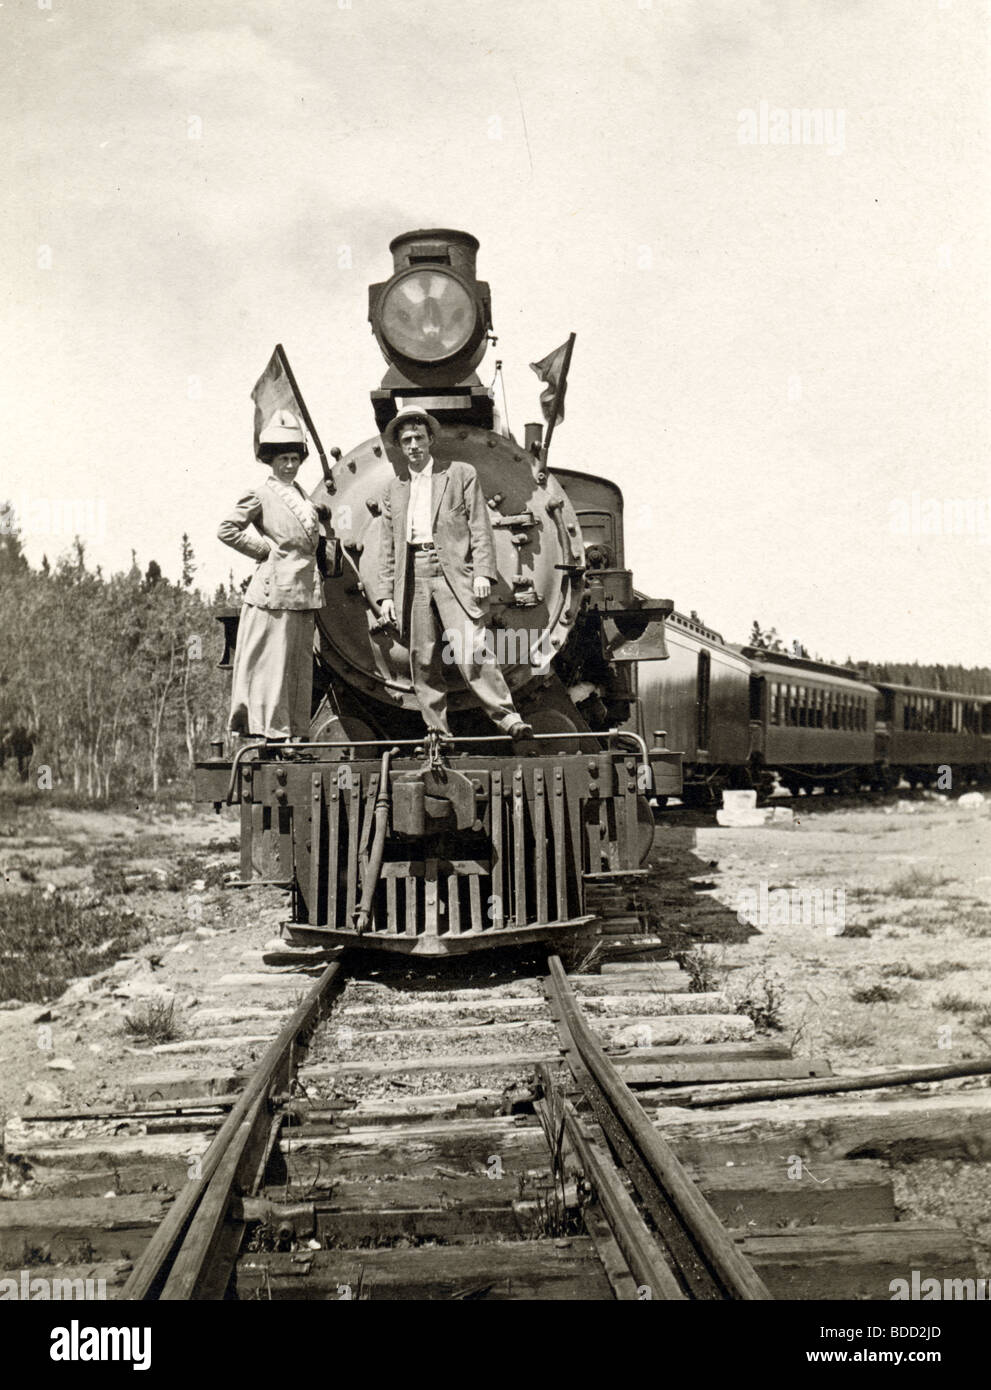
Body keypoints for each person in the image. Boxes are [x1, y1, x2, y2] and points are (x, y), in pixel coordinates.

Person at [377, 406, 532, 741]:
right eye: (407, 440)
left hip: (455, 575)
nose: (414, 444)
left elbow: (480, 526)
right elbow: (388, 547)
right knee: (422, 657)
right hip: (413, 577)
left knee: (471, 647)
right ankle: (437, 730)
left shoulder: (460, 474)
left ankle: (507, 717)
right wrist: (385, 596)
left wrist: (482, 573)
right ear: (400, 447)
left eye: (419, 437)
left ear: (431, 439)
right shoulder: (394, 489)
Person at [218, 409, 325, 740]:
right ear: (271, 461)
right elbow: (227, 528)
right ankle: (273, 733)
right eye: (283, 459)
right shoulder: (261, 493)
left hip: (304, 590)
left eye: (294, 458)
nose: (289, 465)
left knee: (298, 668)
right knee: (273, 667)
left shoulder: (303, 495)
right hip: (274, 593)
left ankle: (295, 733)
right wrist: (262, 551)